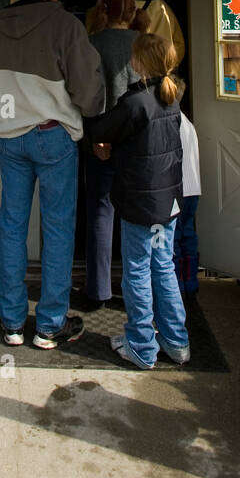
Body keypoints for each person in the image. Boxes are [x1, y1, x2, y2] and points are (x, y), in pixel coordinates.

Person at [0, 0, 105, 350]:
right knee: (58, 229)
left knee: (12, 227)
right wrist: (97, 111)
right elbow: (88, 93)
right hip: (53, 138)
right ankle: (49, 325)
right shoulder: (68, 26)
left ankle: (12, 323)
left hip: (10, 136)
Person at [83, 33, 190, 369]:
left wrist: (102, 143)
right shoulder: (171, 98)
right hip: (168, 201)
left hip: (140, 204)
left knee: (137, 272)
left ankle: (142, 346)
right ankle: (176, 342)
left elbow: (101, 131)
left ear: (140, 62)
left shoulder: (135, 102)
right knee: (164, 267)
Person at [75, 0, 150, 312]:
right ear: (132, 13)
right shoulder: (143, 46)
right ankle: (136, 294)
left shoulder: (92, 43)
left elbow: (85, 97)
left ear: (104, 10)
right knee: (137, 216)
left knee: (100, 213)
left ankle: (97, 290)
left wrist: (93, 139)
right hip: (136, 143)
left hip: (100, 141)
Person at [85, 0, 186, 67]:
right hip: (153, 72)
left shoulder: (100, 10)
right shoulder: (161, 7)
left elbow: (87, 47)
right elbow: (178, 49)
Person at [173, 110, 201, 295]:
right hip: (193, 189)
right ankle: (190, 280)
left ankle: (175, 283)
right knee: (188, 234)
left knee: (174, 237)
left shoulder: (172, 123)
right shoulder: (189, 124)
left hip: (178, 189)